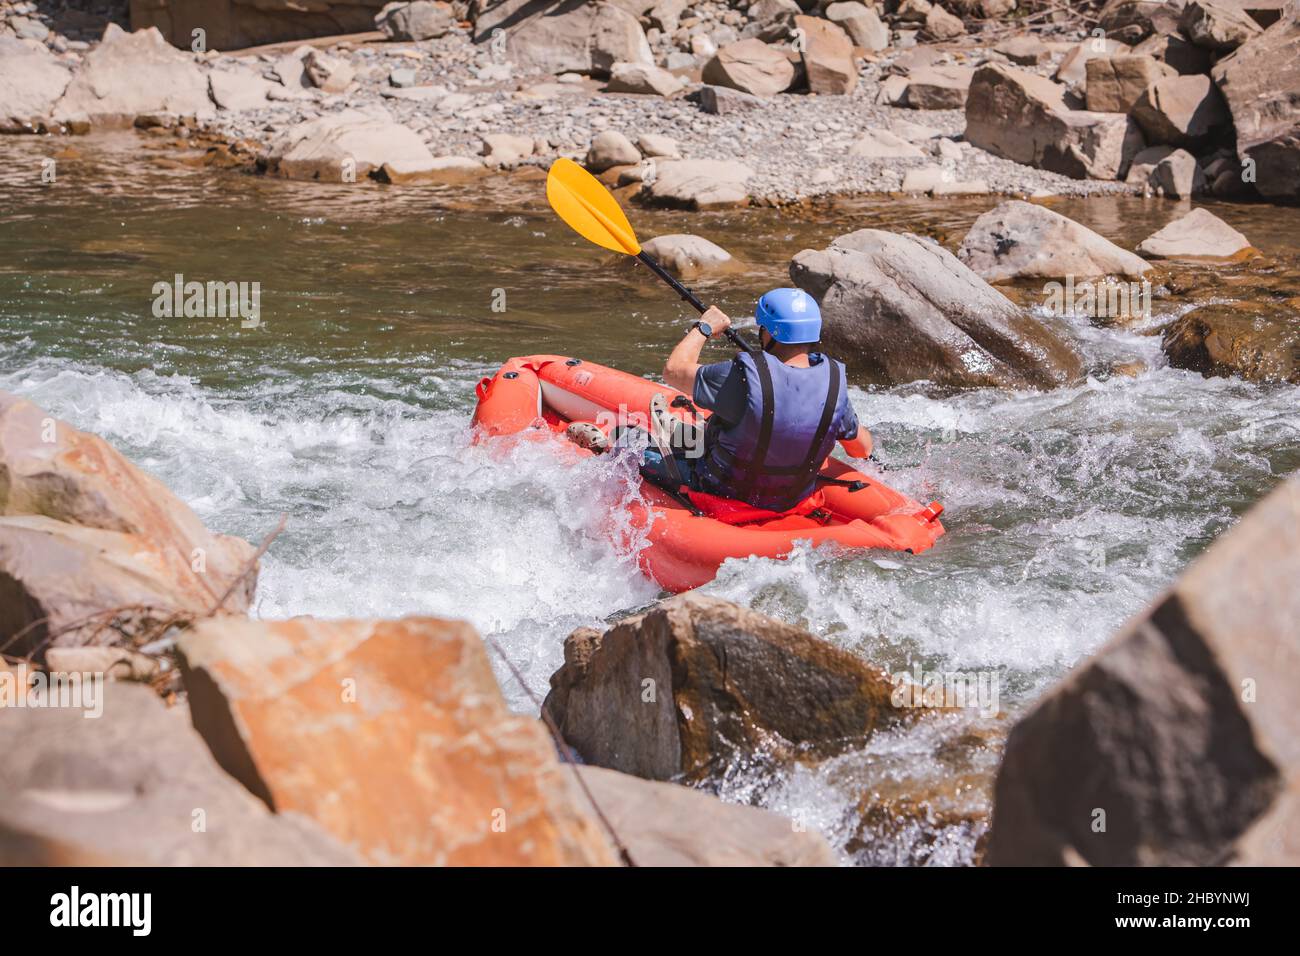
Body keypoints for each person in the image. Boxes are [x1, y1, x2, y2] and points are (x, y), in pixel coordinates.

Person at [641, 287, 872, 512]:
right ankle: (686, 436)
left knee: (629, 440)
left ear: (770, 333)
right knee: (738, 419)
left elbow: (673, 371)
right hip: (788, 500)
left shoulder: (741, 377)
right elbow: (862, 449)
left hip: (721, 491)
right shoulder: (832, 387)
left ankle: (682, 438)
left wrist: (704, 327)